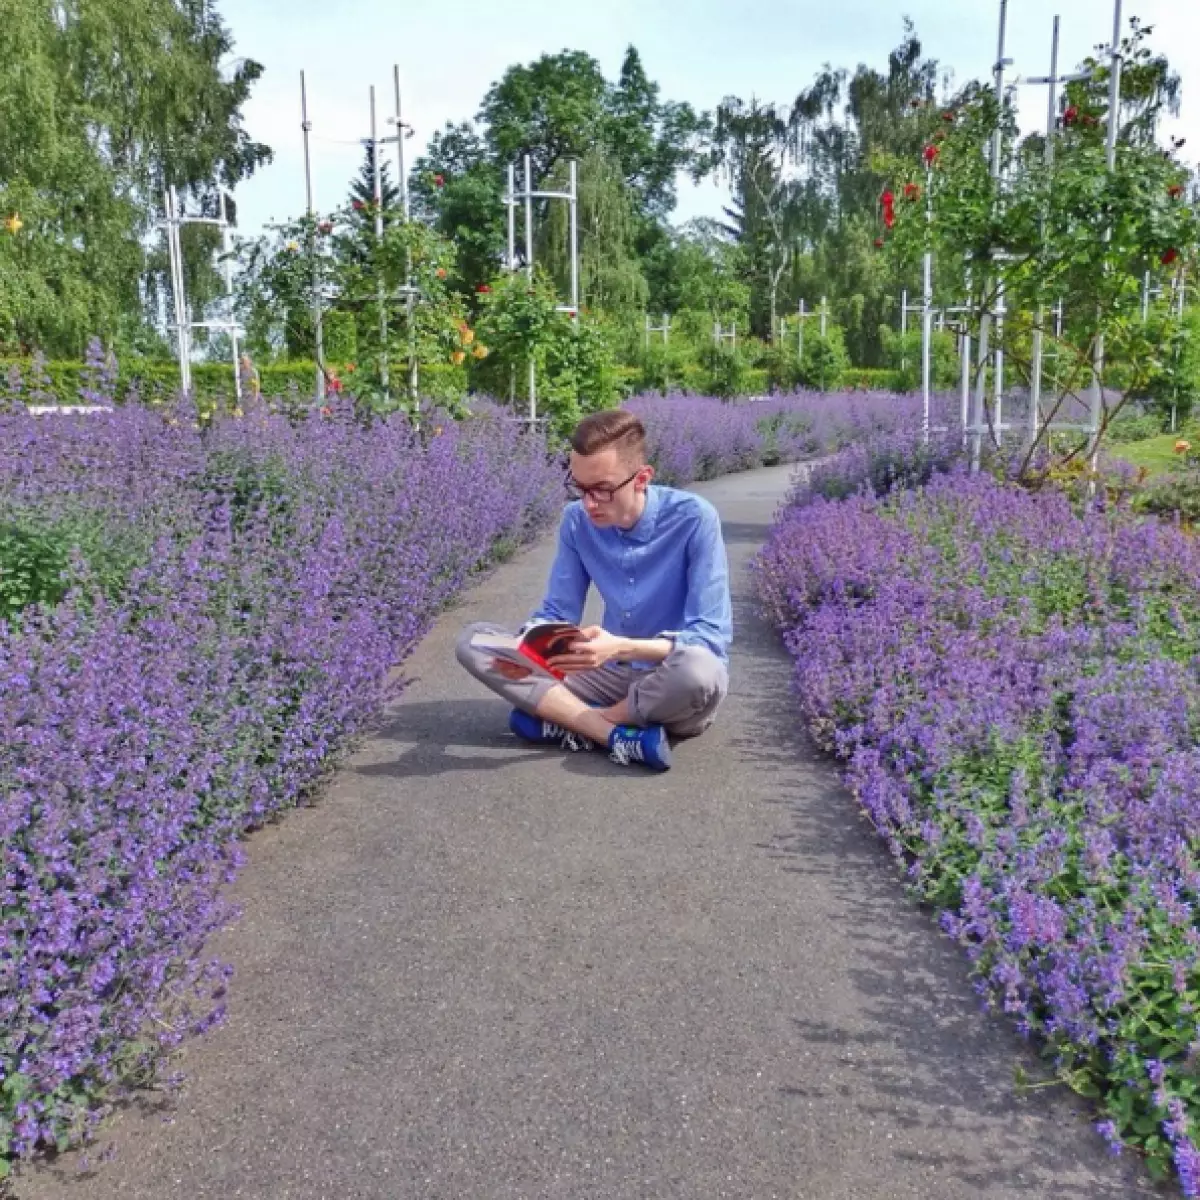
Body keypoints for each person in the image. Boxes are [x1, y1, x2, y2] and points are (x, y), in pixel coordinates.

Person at [455, 409, 732, 772]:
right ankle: (617, 736)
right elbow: (557, 612)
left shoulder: (694, 518)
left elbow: (709, 638)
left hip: (668, 679)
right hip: (608, 672)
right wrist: (535, 642)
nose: (589, 504)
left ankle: (579, 723)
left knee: (699, 670)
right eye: (580, 488)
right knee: (476, 643)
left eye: (602, 490)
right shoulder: (576, 521)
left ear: (642, 478)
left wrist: (620, 646)